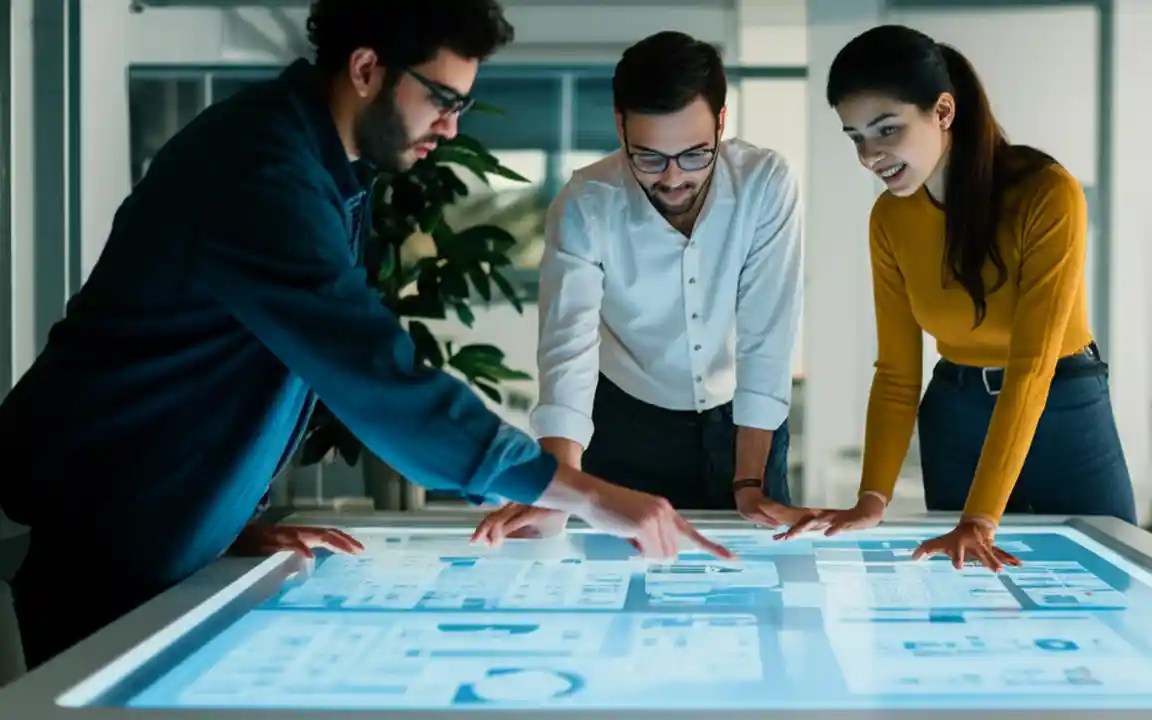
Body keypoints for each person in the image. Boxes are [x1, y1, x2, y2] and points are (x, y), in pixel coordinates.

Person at [0, 1, 729, 671]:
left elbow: (256, 359)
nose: (450, 128)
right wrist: (584, 494)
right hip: (104, 556)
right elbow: (374, 375)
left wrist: (227, 527)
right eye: (441, 100)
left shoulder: (322, 168)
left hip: (155, 545)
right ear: (366, 68)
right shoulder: (259, 166)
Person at [777, 25, 1135, 569]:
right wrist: (872, 499)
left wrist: (979, 518)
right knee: (968, 594)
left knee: (1109, 579)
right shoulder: (890, 219)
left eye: (887, 129)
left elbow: (1031, 368)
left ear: (943, 111)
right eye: (855, 137)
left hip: (1063, 407)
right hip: (957, 415)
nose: (869, 155)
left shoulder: (1045, 192)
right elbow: (898, 373)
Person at [471, 31, 807, 546]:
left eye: (695, 155)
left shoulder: (764, 184)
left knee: (755, 589)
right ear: (620, 124)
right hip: (627, 426)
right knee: (622, 594)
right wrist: (558, 491)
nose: (673, 178)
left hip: (746, 427)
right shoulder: (586, 203)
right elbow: (568, 352)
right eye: (648, 158)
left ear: (721, 122)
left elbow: (768, 336)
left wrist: (748, 480)